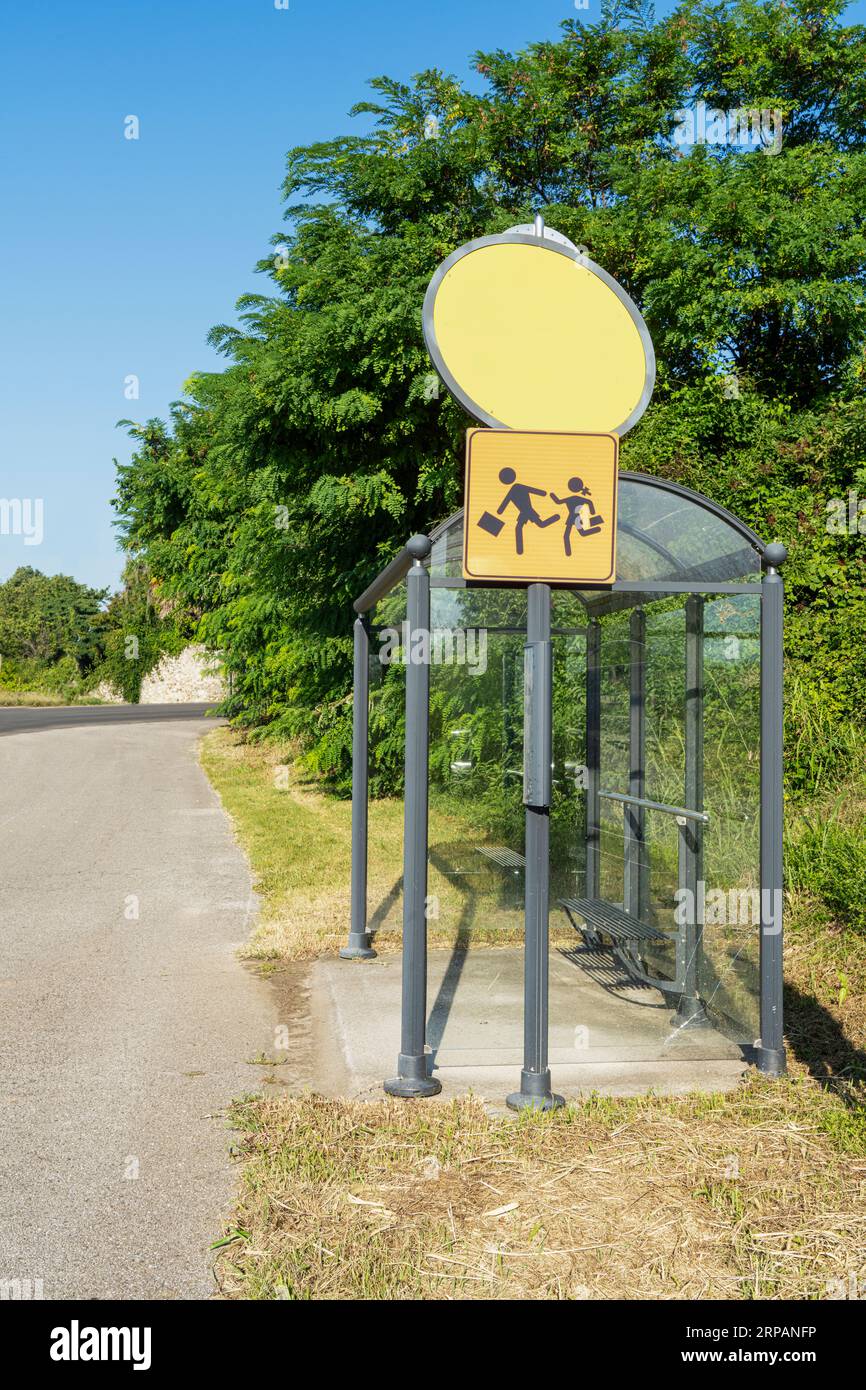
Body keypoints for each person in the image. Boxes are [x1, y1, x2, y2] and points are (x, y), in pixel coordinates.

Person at [495, 467, 559, 555]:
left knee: (539, 525)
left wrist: (500, 511)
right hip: (524, 511)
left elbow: (504, 504)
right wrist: (542, 493)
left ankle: (556, 517)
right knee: (524, 527)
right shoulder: (516, 488)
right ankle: (520, 550)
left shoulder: (516, 488)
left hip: (528, 510)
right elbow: (505, 503)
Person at [549, 477, 605, 557]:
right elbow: (589, 502)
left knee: (569, 535)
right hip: (575, 517)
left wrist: (552, 495)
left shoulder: (572, 498)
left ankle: (597, 527)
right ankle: (597, 524)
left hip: (575, 518)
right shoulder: (578, 498)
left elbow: (558, 501)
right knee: (577, 534)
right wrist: (592, 512)